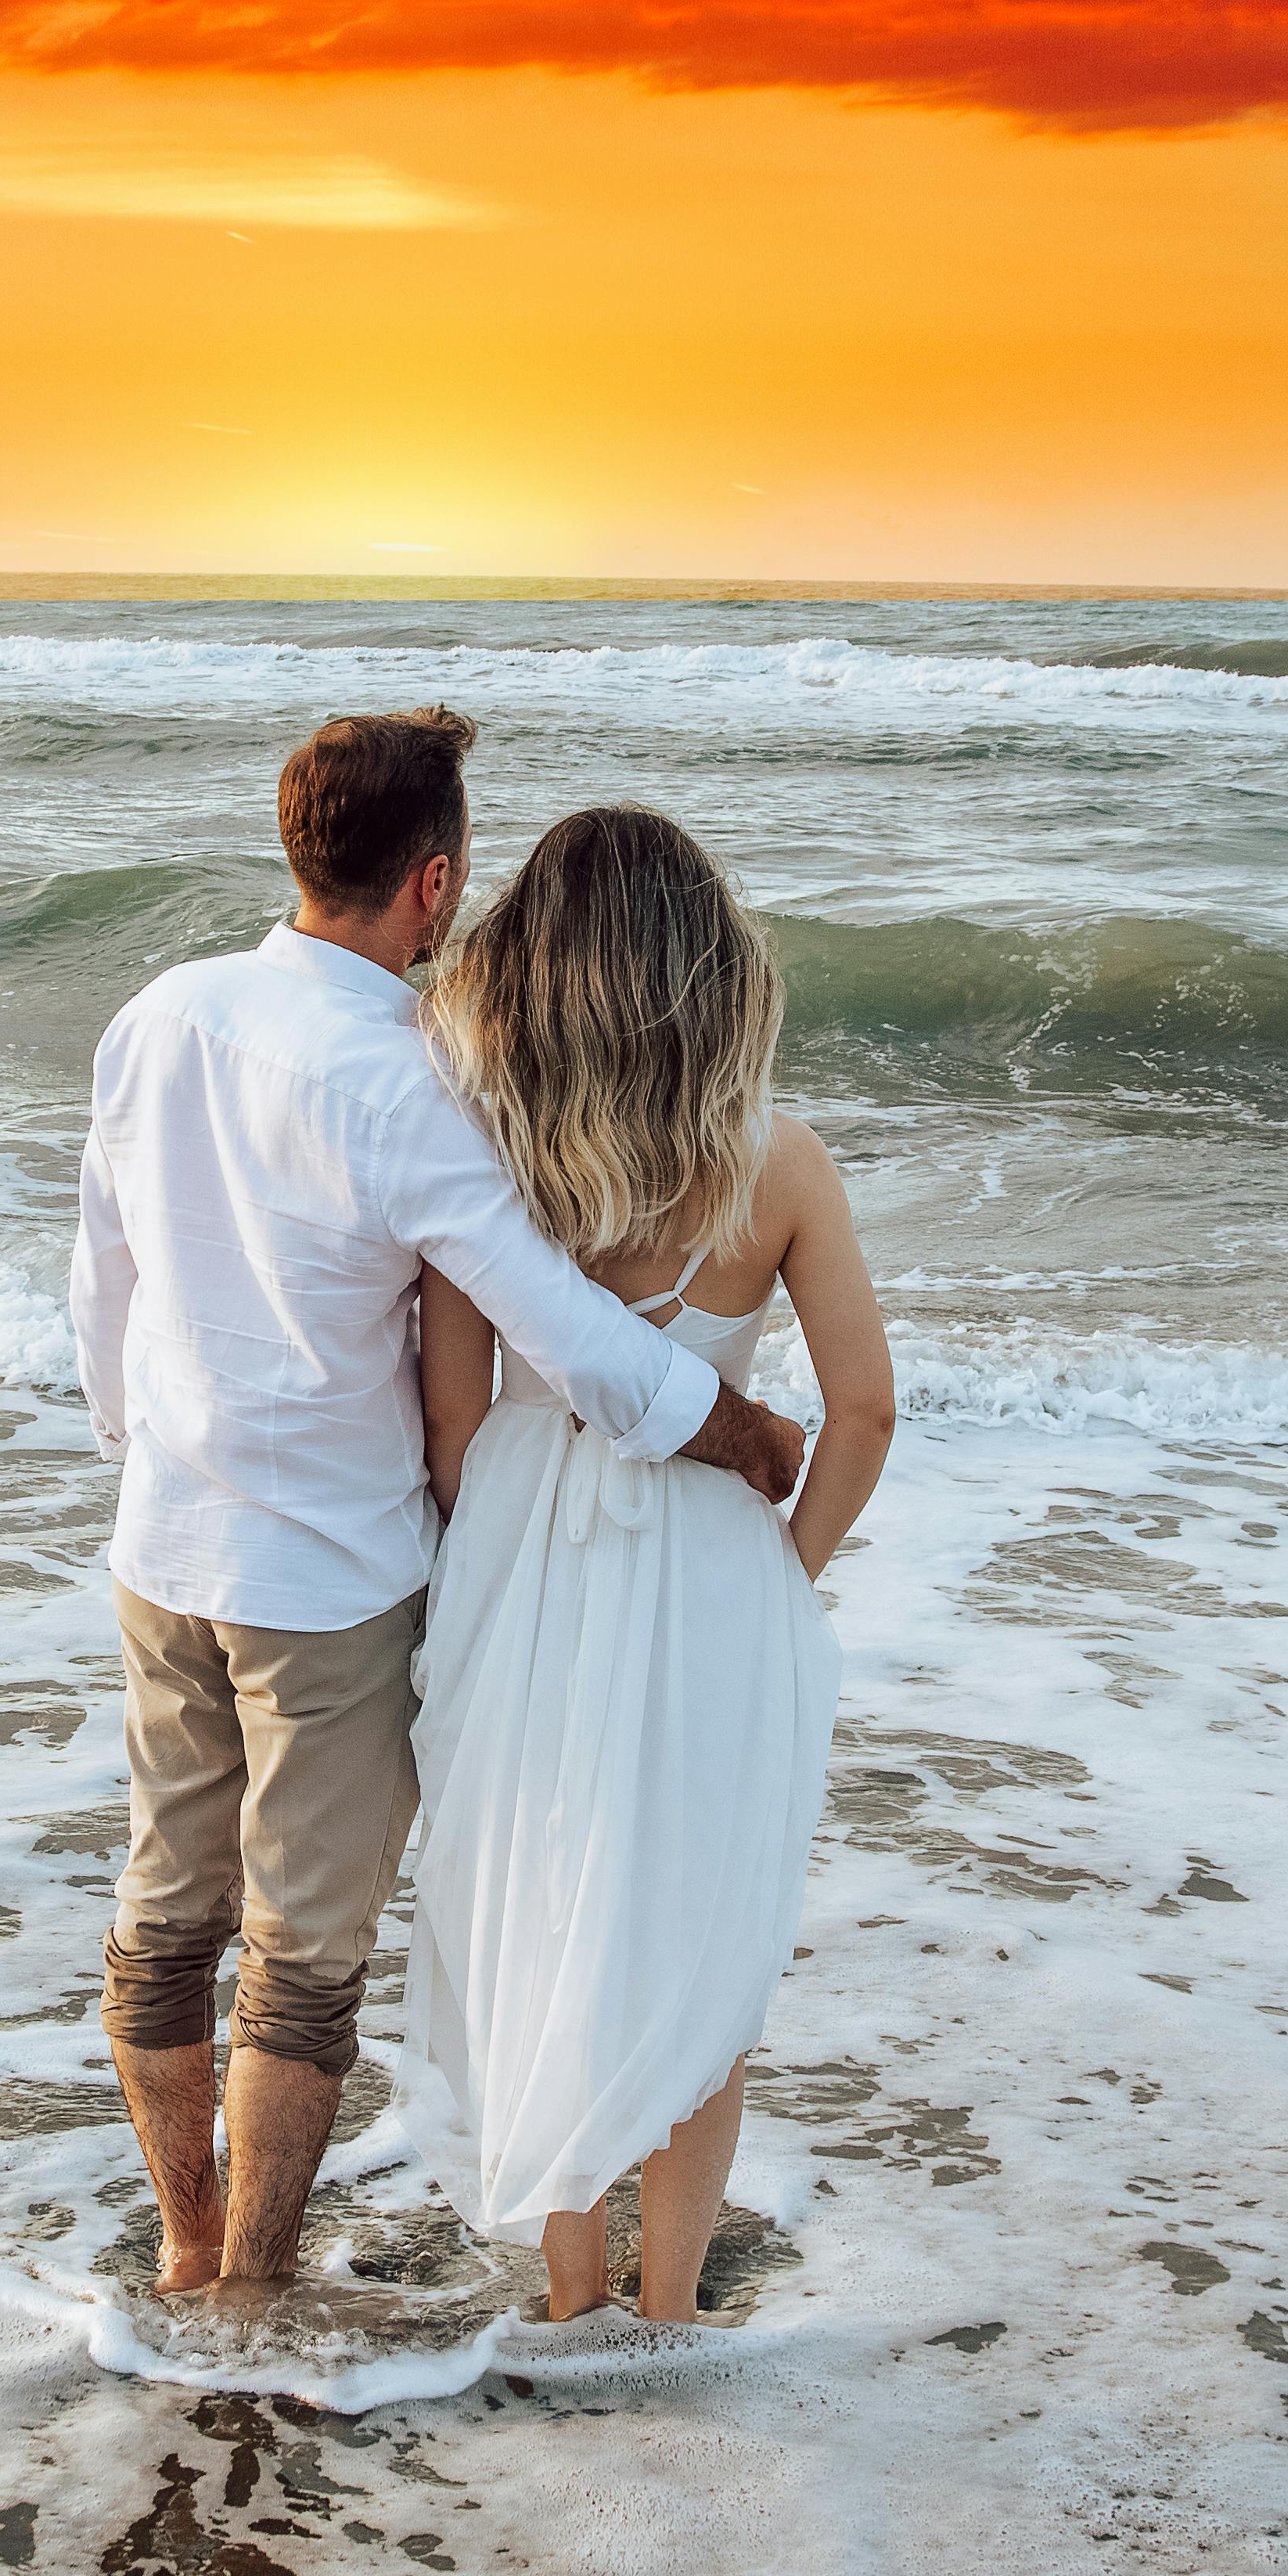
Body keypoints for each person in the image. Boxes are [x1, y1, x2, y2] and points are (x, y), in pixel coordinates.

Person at [69, 709, 806, 2301]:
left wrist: (137, 1440)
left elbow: (103, 1270)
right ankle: (250, 2280)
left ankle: (186, 2247)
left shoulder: (158, 1013)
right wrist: (727, 1425)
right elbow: (548, 1318)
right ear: (431, 879)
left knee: (163, 1911)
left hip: (159, 1543)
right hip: (321, 1577)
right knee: (302, 1965)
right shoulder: (400, 1081)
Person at [408, 805, 894, 2324]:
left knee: (546, 1914)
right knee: (698, 1936)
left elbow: (448, 1421)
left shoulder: (487, 1159)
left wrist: (481, 1571)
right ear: (719, 971)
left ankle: (566, 2297)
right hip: (708, 1564)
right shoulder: (781, 1165)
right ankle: (669, 2311)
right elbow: (865, 1411)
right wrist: (781, 1572)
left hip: (524, 1555)